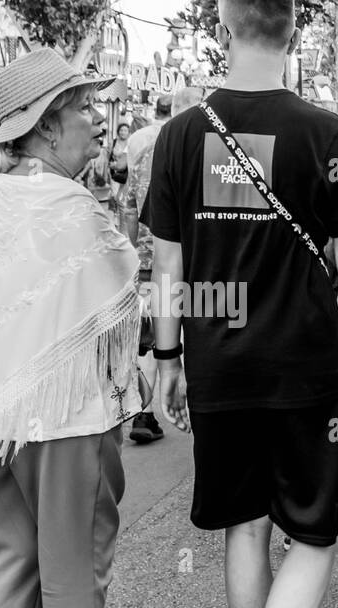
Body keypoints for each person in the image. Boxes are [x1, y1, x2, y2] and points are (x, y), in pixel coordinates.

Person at [148, 0, 338, 608]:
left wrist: (168, 357)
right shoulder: (328, 134)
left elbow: (168, 268)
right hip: (305, 365)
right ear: (292, 32)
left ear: (223, 30)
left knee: (243, 528)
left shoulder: (181, 135)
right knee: (314, 534)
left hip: (220, 366)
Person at [0, 49, 152, 608]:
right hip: (68, 418)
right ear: (48, 126)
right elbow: (122, 300)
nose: (99, 120)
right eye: (85, 107)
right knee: (73, 563)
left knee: (8, 563)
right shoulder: (73, 210)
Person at [120, 89, 204, 445]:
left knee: (153, 337)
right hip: (188, 266)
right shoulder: (202, 150)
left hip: (147, 264)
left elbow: (127, 204)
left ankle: (145, 410)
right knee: (185, 333)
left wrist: (132, 251)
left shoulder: (143, 155)